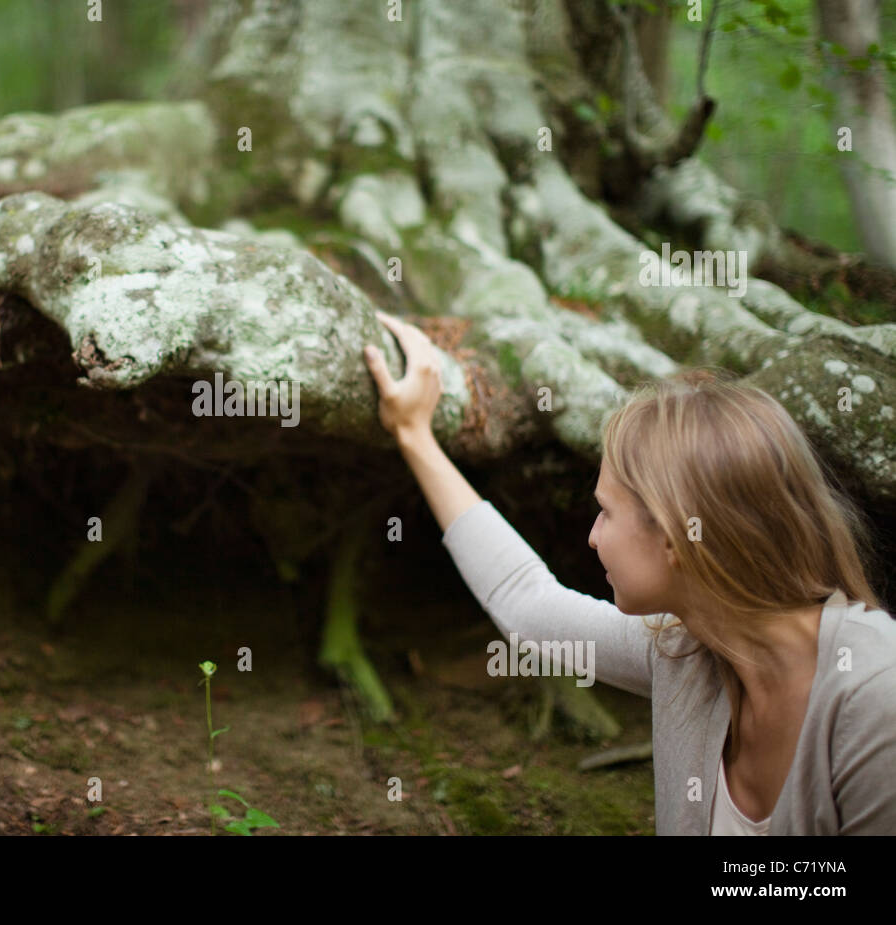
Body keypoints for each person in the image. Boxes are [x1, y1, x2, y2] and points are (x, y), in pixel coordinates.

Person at [364, 309, 896, 835]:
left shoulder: (874, 696)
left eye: (606, 511)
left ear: (672, 536)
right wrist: (414, 433)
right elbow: (526, 600)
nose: (592, 536)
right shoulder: (684, 653)